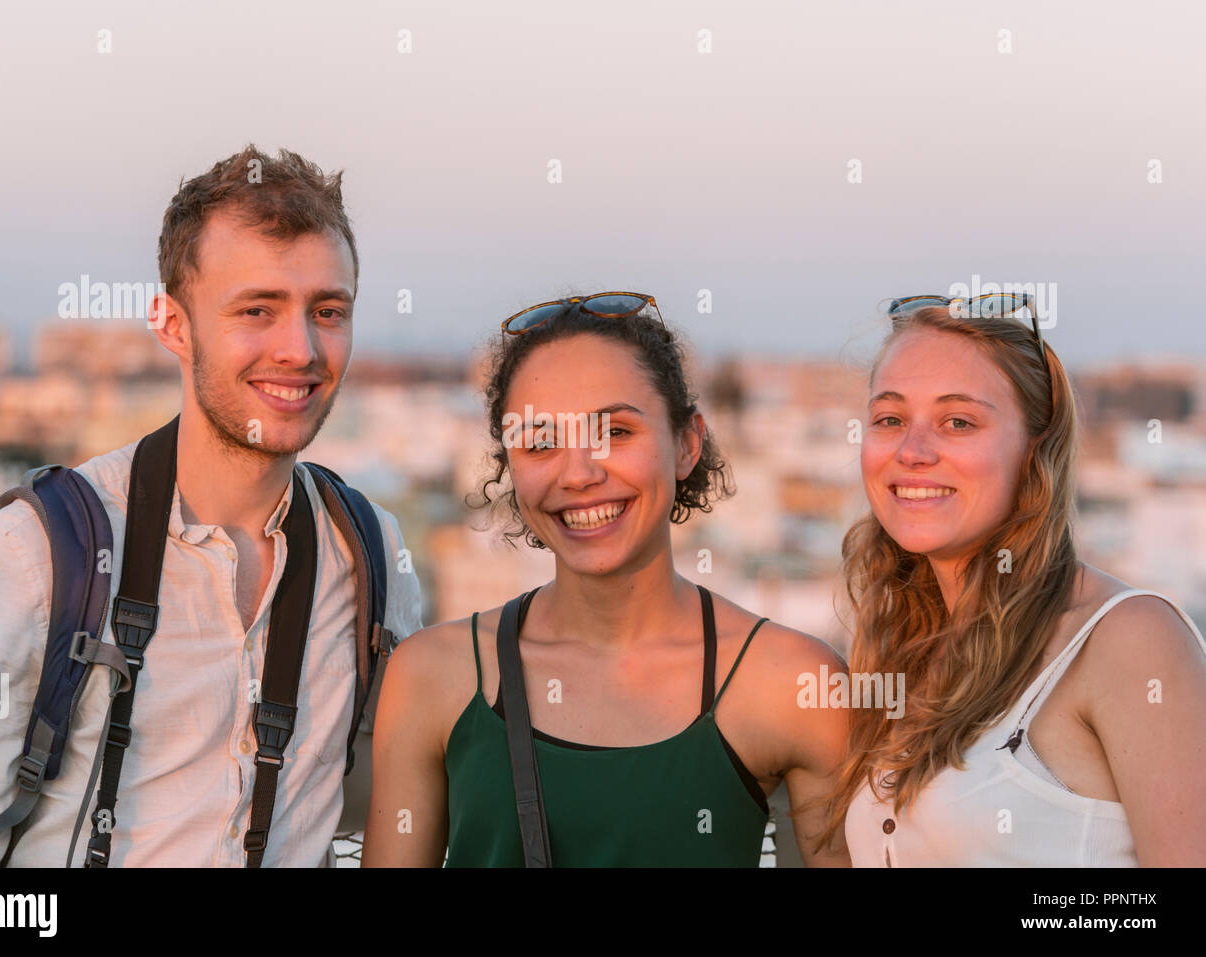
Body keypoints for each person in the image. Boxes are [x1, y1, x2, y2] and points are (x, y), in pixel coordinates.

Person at [0, 145, 422, 866]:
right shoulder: (32, 559)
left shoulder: (371, 557)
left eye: (327, 311)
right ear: (173, 326)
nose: (300, 347)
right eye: (257, 309)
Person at [362, 293, 850, 866]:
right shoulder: (431, 674)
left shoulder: (795, 686)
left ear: (687, 443)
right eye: (541, 442)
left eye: (616, 432)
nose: (580, 473)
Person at [822, 296, 1206, 866]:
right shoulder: (902, 649)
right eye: (890, 419)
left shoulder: (1129, 639)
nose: (912, 451)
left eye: (959, 422)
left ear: (1034, 449)